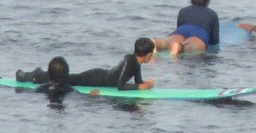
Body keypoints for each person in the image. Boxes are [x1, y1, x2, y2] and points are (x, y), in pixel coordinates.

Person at [15, 39, 158, 94]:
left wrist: (144, 85)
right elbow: (120, 85)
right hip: (95, 78)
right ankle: (31, 76)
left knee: (66, 79)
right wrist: (140, 87)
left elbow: (138, 82)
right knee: (65, 79)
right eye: (151, 53)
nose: (152, 56)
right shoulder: (129, 61)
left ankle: (37, 74)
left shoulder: (136, 63)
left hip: (101, 78)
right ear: (146, 54)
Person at [154, 0, 220, 55]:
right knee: (190, 46)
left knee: (169, 44)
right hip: (200, 32)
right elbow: (214, 41)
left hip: (182, 29)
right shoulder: (212, 14)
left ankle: (157, 43)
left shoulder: (183, 10)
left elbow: (179, 27)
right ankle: (181, 47)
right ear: (207, 1)